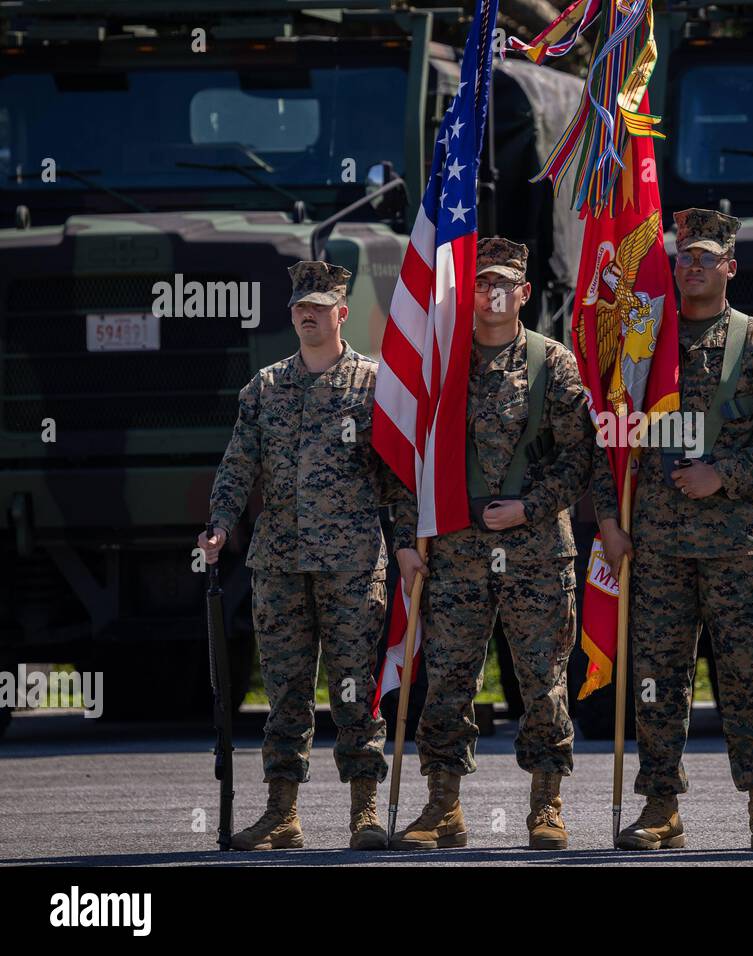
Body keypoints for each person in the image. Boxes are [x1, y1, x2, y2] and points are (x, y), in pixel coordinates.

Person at [597, 207, 753, 852]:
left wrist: (726, 473)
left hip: (737, 542)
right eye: (685, 256)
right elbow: (610, 436)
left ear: (730, 267)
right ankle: (660, 808)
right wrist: (609, 520)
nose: (694, 266)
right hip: (655, 543)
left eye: (707, 257)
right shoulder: (641, 344)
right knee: (657, 677)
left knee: (747, 674)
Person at [389, 237, 594, 851]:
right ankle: (442, 806)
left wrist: (530, 507)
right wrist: (406, 539)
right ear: (467, 294)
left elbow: (580, 455)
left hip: (535, 551)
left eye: (505, 282)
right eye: (482, 283)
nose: (492, 292)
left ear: (524, 293)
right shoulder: (442, 367)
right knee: (449, 679)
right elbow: (412, 460)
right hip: (455, 552)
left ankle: (546, 806)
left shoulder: (552, 363)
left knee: (543, 682)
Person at [200, 260, 413, 851]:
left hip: (350, 563)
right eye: (300, 307)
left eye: (320, 307)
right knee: (287, 691)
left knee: (353, 687)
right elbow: (239, 464)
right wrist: (219, 525)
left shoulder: (373, 385)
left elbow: (399, 479)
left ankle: (364, 810)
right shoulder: (265, 388)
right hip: (280, 563)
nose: (309, 315)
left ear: (342, 313)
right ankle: (281, 814)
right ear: (291, 313)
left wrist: (406, 544)